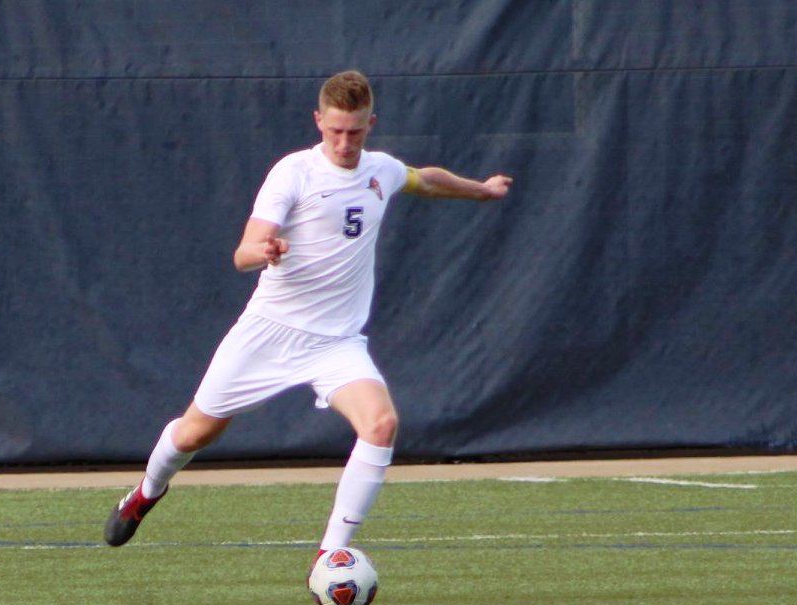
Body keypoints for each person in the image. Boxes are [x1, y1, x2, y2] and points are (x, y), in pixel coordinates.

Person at [104, 70, 512, 560]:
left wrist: (481, 190)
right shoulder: (293, 172)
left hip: (336, 343)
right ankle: (147, 492)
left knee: (381, 425)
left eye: (355, 131)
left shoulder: (380, 170)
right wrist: (265, 249)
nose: (344, 142)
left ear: (371, 124)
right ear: (318, 121)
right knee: (196, 432)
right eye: (335, 130)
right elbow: (242, 253)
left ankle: (329, 556)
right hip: (269, 332)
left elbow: (424, 179)